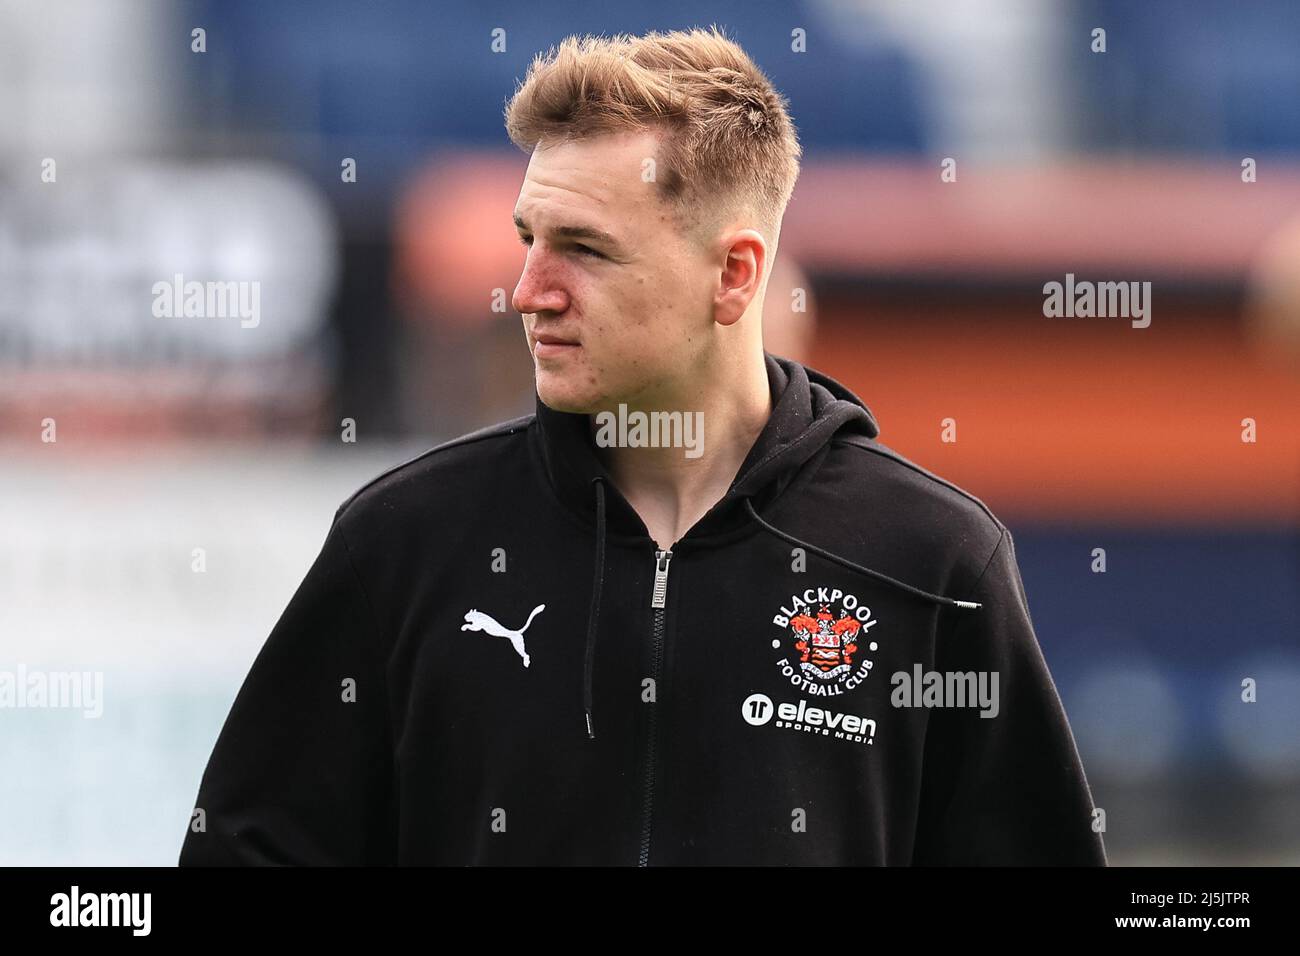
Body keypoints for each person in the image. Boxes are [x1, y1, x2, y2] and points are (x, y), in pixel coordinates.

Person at [179, 26, 1105, 866]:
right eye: (527, 238)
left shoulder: (931, 559)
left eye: (583, 248)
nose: (529, 291)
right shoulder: (404, 540)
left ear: (734, 275)